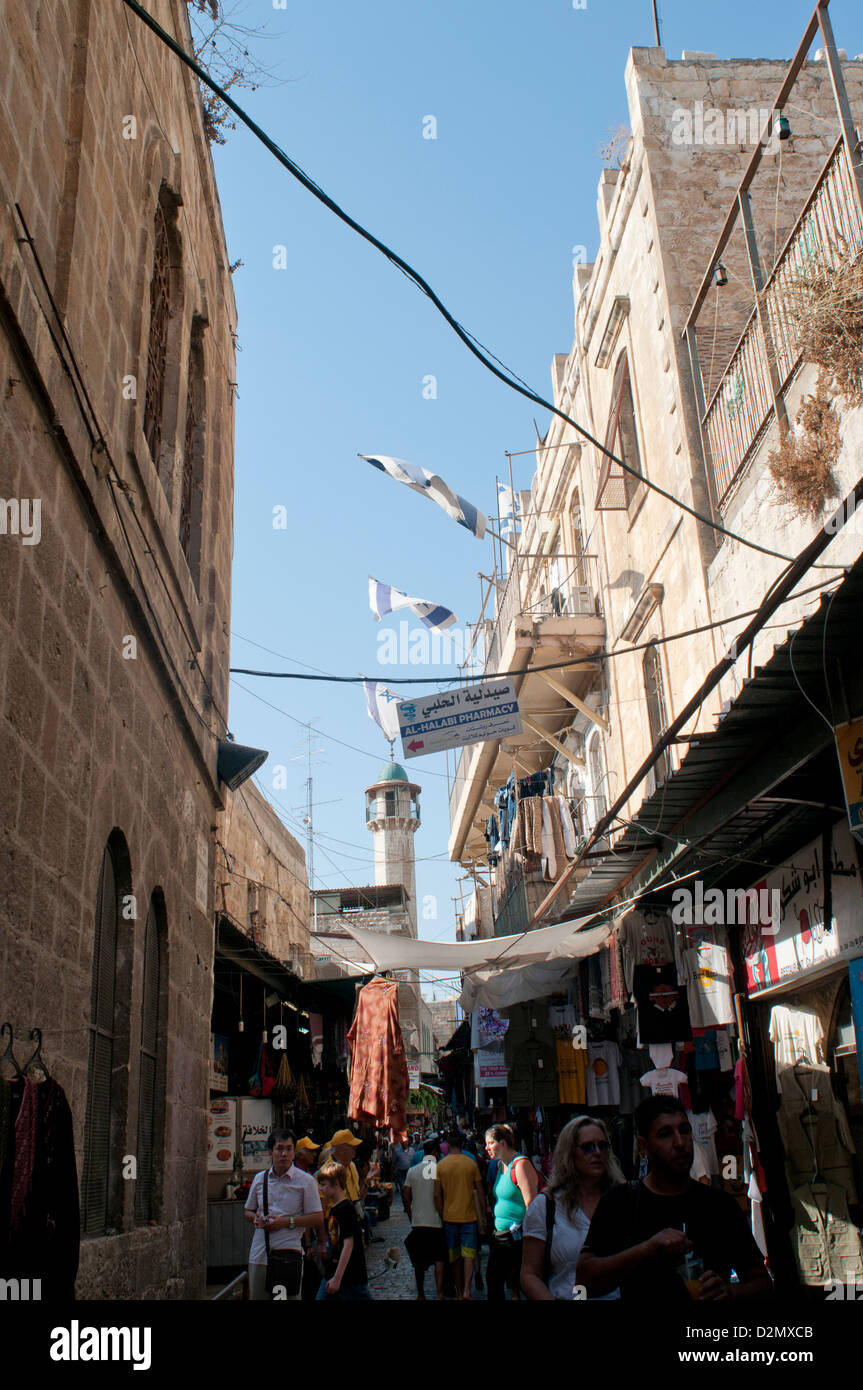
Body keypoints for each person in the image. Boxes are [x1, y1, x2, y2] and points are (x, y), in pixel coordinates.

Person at [577, 1097, 773, 1303]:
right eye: (665, 1134)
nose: (680, 1143)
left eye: (685, 1130)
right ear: (643, 1146)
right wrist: (646, 1249)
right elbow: (583, 1281)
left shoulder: (719, 1206)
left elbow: (762, 1283)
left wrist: (730, 1292)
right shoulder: (620, 1202)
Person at [520, 1115, 624, 1301]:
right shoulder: (546, 1206)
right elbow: (529, 1274)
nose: (597, 1152)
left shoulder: (622, 1200)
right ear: (569, 1153)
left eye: (603, 1146)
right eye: (587, 1147)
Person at [244, 1129, 324, 1301]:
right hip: (260, 1254)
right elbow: (248, 1211)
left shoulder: (306, 1181)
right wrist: (256, 1218)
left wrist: (287, 1222)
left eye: (289, 1149)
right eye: (280, 1148)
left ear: (294, 1152)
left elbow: (317, 1217)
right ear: (270, 1152)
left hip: (288, 1255)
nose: (284, 1154)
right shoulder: (260, 1179)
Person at [484, 1123, 540, 1301]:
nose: (487, 1148)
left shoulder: (521, 1165)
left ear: (503, 1143)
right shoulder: (500, 1166)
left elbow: (532, 1204)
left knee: (515, 1282)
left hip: (516, 1238)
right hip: (500, 1235)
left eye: (490, 1143)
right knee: (495, 1281)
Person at [434, 1130, 487, 1300]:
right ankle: (467, 1291)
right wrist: (483, 1214)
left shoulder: (441, 1165)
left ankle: (458, 1289)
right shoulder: (471, 1163)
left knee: (454, 1256)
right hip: (469, 1217)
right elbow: (480, 1191)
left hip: (449, 1218)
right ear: (462, 1145)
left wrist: (441, 1213)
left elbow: (436, 1195)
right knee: (469, 1254)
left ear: (447, 1146)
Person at [316, 1162, 373, 1301]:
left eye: (323, 1185)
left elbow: (348, 1244)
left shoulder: (345, 1209)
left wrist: (337, 1277)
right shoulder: (334, 1208)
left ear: (335, 1184)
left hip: (350, 1276)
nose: (321, 1189)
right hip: (336, 1272)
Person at [403, 1137, 447, 1300]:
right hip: (437, 1222)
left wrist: (411, 1215)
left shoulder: (412, 1171)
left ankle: (420, 1293)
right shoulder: (439, 1170)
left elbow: (406, 1198)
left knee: (419, 1262)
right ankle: (439, 1292)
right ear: (435, 1153)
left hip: (419, 1223)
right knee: (439, 1259)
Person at [391, 1138, 413, 1206]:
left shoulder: (411, 1150)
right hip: (401, 1172)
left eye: (406, 1142)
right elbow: (393, 1162)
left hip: (409, 1171)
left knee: (410, 1187)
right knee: (403, 1188)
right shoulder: (397, 1151)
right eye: (403, 1142)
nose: (405, 1143)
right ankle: (405, 1204)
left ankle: (409, 1202)